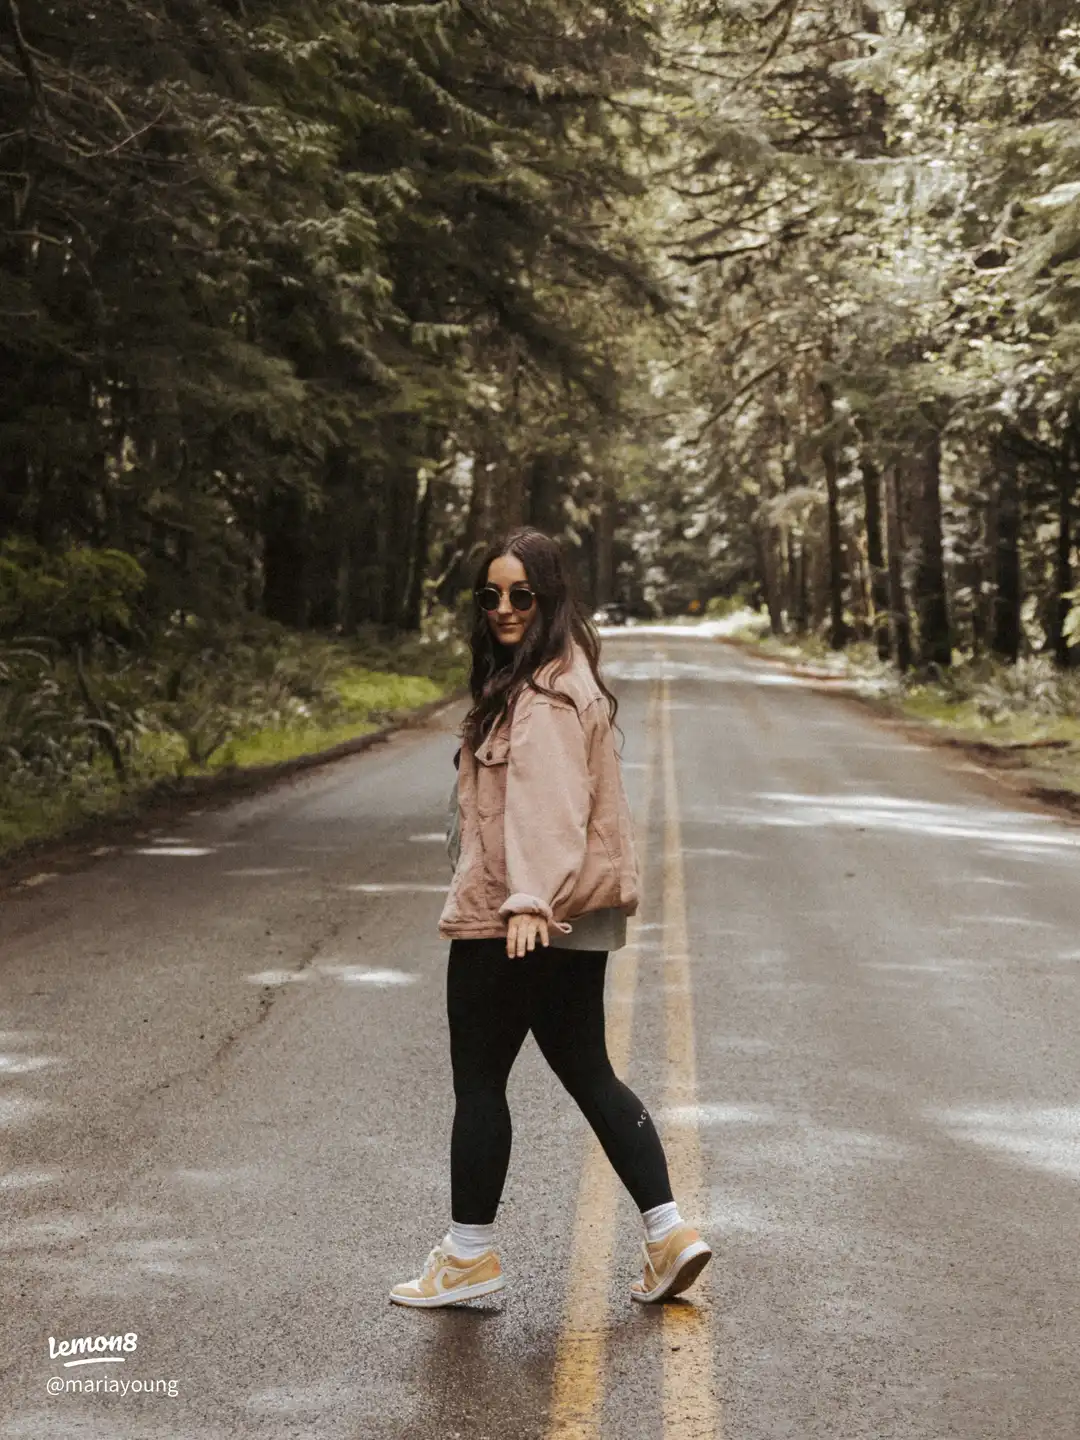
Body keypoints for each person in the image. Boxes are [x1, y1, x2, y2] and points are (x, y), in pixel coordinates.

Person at [390, 527, 711, 1309]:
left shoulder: (542, 696)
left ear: (550, 598)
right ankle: (668, 1234)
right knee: (586, 1068)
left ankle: (468, 1255)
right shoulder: (552, 678)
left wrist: (529, 900)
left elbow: (549, 808)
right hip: (567, 911)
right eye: (491, 595)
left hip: (519, 914)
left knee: (479, 1080)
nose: (504, 608)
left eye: (521, 595)